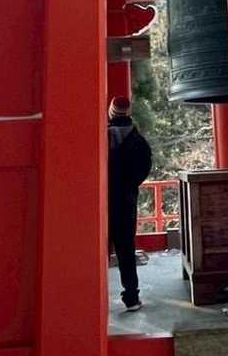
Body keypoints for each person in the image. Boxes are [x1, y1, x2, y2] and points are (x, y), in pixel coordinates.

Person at [107, 95, 152, 312]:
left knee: (96, 250)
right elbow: (144, 169)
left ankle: (93, 296)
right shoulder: (138, 141)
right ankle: (132, 298)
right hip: (125, 202)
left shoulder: (100, 137)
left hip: (100, 203)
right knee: (126, 250)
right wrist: (128, 185)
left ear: (111, 113)